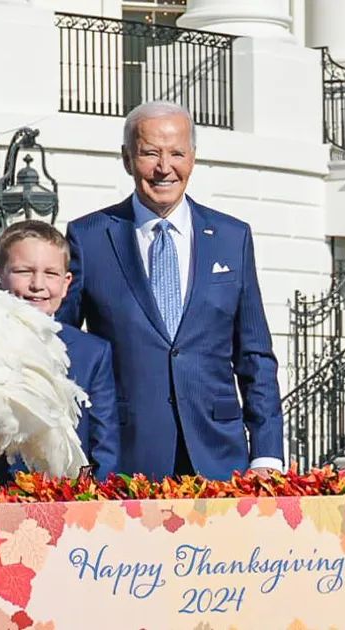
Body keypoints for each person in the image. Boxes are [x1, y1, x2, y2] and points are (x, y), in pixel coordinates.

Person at [56, 100, 284, 481]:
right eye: (150, 153)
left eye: (176, 153)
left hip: (220, 460)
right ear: (127, 159)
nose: (164, 168)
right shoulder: (89, 237)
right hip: (126, 460)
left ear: (192, 158)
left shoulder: (232, 237)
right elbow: (64, 350)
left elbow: (255, 355)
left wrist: (267, 455)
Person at [0, 220, 119, 477]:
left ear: (66, 283)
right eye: (24, 271)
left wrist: (88, 501)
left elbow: (103, 448)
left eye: (51, 274)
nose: (37, 284)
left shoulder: (92, 353)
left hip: (68, 502)